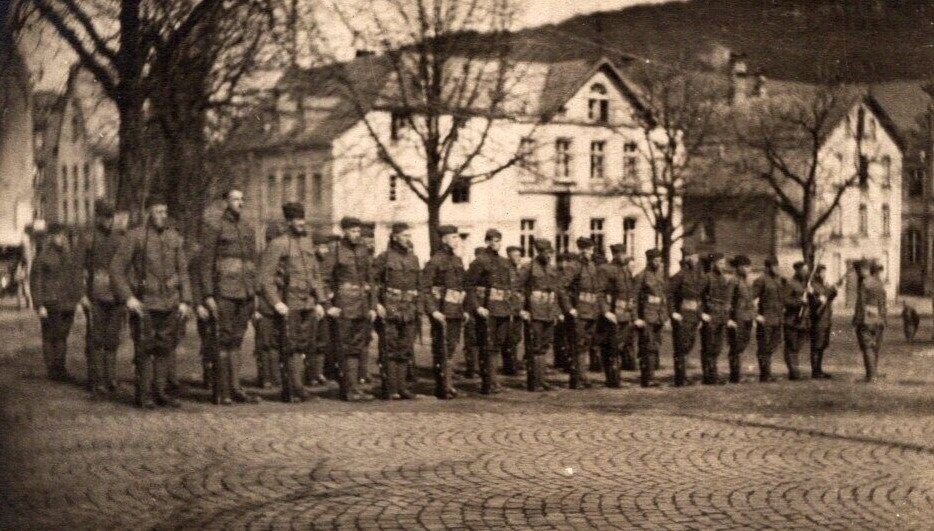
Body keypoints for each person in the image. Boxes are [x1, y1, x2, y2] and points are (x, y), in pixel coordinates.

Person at [110, 194, 192, 408]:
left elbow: (183, 271)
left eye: (165, 211)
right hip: (145, 303)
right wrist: (128, 298)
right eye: (158, 211)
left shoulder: (174, 237)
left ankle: (160, 392)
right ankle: (144, 394)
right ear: (148, 213)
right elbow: (116, 269)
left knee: (165, 348)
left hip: (170, 302)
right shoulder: (135, 237)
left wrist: (185, 300)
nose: (163, 216)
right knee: (145, 349)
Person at [257, 202, 327, 403]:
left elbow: (315, 274)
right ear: (288, 221)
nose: (301, 223)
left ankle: (299, 387)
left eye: (303, 219)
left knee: (303, 346)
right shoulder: (277, 244)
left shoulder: (307, 242)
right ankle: (292, 389)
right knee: (289, 346)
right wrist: (276, 302)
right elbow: (265, 278)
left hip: (308, 302)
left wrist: (320, 301)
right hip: (289, 303)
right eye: (297, 219)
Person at [200, 188, 260, 404]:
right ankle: (222, 391)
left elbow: (253, 261)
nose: (240, 203)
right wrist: (208, 294)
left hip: (245, 292)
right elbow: (206, 262)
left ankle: (235, 388)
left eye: (242, 199)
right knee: (222, 339)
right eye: (235, 199)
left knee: (237, 340)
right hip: (224, 291)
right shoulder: (215, 226)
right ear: (226, 201)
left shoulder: (247, 227)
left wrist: (254, 291)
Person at [326, 216, 376, 401]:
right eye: (353, 231)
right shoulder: (335, 251)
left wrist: (372, 306)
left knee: (357, 347)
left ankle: (354, 388)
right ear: (344, 231)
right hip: (344, 306)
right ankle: (348, 389)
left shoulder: (363, 250)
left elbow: (370, 279)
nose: (357, 234)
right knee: (345, 348)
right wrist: (328, 306)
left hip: (362, 305)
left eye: (358, 231)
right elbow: (323, 279)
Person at [372, 223, 421, 399]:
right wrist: (376, 304)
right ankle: (391, 388)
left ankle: (402, 387)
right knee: (390, 346)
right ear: (395, 237)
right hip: (391, 306)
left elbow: (419, 285)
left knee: (405, 347)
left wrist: (419, 307)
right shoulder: (384, 258)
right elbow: (372, 281)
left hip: (409, 307)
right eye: (405, 235)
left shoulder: (414, 259)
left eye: (409, 235)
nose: (408, 239)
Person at [83, 199, 125, 397]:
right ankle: (97, 380)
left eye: (110, 217)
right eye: (104, 217)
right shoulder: (88, 238)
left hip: (117, 295)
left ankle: (110, 377)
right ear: (97, 217)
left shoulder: (120, 238)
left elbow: (126, 267)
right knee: (96, 339)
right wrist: (82, 295)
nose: (108, 221)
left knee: (113, 339)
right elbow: (78, 268)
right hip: (96, 295)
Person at [31, 222, 84, 382]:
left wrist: (78, 299)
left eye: (63, 235)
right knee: (50, 336)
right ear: (51, 237)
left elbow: (74, 278)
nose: (62, 238)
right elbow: (36, 282)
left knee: (62, 336)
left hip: (67, 303)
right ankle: (53, 370)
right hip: (50, 302)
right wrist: (39, 305)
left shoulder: (68, 255)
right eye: (58, 235)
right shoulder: (42, 256)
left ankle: (60, 369)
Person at [466, 229, 514, 395]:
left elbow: (509, 286)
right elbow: (469, 286)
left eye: (498, 240)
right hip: (486, 309)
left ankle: (494, 381)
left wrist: (511, 306)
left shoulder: (504, 262)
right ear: (487, 242)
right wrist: (477, 307)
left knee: (497, 345)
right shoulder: (480, 261)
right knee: (487, 345)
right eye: (493, 240)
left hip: (502, 309)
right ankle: (487, 383)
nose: (496, 243)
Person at [422, 225, 468, 399]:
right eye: (453, 237)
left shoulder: (457, 260)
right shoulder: (435, 261)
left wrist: (464, 309)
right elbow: (425, 289)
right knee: (441, 348)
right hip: (441, 311)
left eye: (457, 237)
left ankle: (448, 385)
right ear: (444, 239)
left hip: (455, 310)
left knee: (451, 347)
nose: (457, 240)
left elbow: (461, 286)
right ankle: (442, 387)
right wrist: (433, 311)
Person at [517, 239, 565, 392]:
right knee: (534, 346)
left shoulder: (552, 269)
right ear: (539, 252)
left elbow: (556, 292)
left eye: (551, 253)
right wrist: (521, 309)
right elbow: (517, 289)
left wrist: (558, 312)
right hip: (534, 313)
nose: (549, 255)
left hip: (549, 312)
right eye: (546, 253)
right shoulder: (528, 268)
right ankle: (534, 382)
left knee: (544, 346)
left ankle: (542, 380)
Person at [565, 237, 602, 389]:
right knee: (577, 344)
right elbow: (562, 288)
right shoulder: (573, 267)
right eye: (589, 250)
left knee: (586, 345)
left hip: (591, 311)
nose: (591, 253)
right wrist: (569, 308)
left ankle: (583, 376)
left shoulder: (592, 266)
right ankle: (576, 379)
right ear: (582, 250)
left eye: (592, 250)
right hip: (579, 311)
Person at [668, 247, 708, 386]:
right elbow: (669, 295)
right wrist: (673, 312)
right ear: (687, 258)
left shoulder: (697, 275)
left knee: (689, 344)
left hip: (694, 315)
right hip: (683, 315)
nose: (696, 260)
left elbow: (699, 297)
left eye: (696, 257)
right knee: (681, 346)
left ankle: (683, 376)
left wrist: (700, 315)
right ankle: (680, 378)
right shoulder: (679, 275)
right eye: (693, 257)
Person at [600, 244, 636, 388]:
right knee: (611, 347)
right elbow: (600, 292)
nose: (623, 256)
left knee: (620, 347)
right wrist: (605, 311)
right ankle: (612, 379)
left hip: (624, 314)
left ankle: (615, 378)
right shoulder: (605, 269)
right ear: (614, 255)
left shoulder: (625, 271)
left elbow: (630, 293)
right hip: (612, 314)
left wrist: (632, 313)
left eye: (624, 253)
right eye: (621, 254)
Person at [253, 222, 284, 389]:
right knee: (265, 344)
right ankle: (266, 377)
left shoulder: (281, 257)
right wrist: (255, 308)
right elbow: (258, 284)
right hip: (265, 306)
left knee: (275, 343)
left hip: (280, 304)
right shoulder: (263, 257)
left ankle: (275, 377)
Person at [634, 249, 668, 387]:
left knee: (655, 346)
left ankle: (650, 376)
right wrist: (636, 317)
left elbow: (662, 297)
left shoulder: (659, 275)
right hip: (646, 316)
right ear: (649, 260)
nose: (659, 263)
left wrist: (664, 315)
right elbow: (634, 299)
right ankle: (647, 378)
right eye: (656, 260)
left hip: (658, 316)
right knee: (647, 346)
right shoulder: (641, 276)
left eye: (660, 260)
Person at [700, 253, 733, 385]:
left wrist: (727, 317)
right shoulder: (706, 278)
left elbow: (726, 299)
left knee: (717, 347)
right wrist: (702, 314)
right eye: (720, 263)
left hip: (721, 316)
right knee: (709, 346)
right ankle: (709, 376)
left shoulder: (723, 278)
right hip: (710, 315)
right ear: (713, 264)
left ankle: (713, 374)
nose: (722, 266)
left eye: (723, 263)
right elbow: (698, 297)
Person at [854, 260, 887, 382]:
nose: (858, 273)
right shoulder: (879, 283)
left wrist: (857, 320)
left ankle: (871, 375)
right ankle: (874, 372)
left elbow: (861, 304)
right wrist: (883, 319)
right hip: (879, 319)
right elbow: (883, 303)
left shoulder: (864, 284)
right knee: (875, 347)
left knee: (867, 347)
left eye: (858, 271)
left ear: (863, 270)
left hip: (867, 319)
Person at [752, 256, 784, 382]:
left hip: (777, 318)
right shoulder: (761, 281)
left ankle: (767, 372)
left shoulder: (779, 280)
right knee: (764, 346)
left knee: (773, 344)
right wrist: (756, 315)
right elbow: (749, 299)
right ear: (767, 268)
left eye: (777, 265)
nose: (776, 268)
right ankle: (765, 374)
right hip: (766, 318)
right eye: (773, 266)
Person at [727, 255, 754, 383]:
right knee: (736, 347)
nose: (749, 269)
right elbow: (727, 302)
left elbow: (750, 301)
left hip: (747, 317)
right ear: (739, 267)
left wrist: (753, 315)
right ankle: (735, 376)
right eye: (746, 266)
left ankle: (738, 374)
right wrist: (729, 319)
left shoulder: (747, 281)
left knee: (743, 345)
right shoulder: (733, 281)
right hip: (737, 318)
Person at [461, 246, 486, 380]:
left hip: (482, 309)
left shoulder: (487, 274)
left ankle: (479, 368)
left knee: (481, 339)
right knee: (472, 340)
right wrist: (465, 310)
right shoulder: (470, 272)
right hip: (471, 309)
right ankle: (472, 369)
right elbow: (467, 292)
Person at [782, 261, 810, 381]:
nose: (806, 273)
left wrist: (811, 294)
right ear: (797, 270)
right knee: (791, 346)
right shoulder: (790, 283)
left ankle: (795, 371)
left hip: (803, 321)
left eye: (807, 270)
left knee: (797, 347)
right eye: (803, 270)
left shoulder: (807, 284)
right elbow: (785, 300)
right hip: (792, 319)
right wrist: (799, 302)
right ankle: (794, 373)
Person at [808, 264, 837, 379]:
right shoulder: (813, 286)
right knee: (817, 345)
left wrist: (833, 291)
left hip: (826, 318)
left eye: (825, 272)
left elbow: (828, 298)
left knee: (822, 345)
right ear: (816, 273)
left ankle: (818, 369)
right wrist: (820, 298)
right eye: (822, 272)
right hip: (818, 319)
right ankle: (815, 371)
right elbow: (815, 302)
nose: (824, 274)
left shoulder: (824, 285)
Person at [359, 222, 377, 385]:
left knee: (367, 338)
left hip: (372, 303)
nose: (371, 244)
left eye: (372, 240)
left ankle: (363, 371)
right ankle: (359, 373)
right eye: (367, 240)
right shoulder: (358, 257)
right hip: (355, 303)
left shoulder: (374, 259)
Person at [503, 245, 524, 376]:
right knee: (510, 338)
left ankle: (513, 363)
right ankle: (510, 367)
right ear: (509, 256)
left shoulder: (518, 270)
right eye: (515, 255)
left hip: (518, 308)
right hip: (509, 308)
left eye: (519, 255)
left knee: (516, 337)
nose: (518, 258)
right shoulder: (507, 270)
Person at [553, 252, 576, 373]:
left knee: (569, 337)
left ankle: (567, 362)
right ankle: (560, 361)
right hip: (561, 310)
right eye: (561, 262)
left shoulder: (572, 275)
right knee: (560, 337)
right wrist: (557, 312)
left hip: (570, 309)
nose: (563, 264)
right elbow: (555, 296)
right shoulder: (555, 275)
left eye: (566, 262)